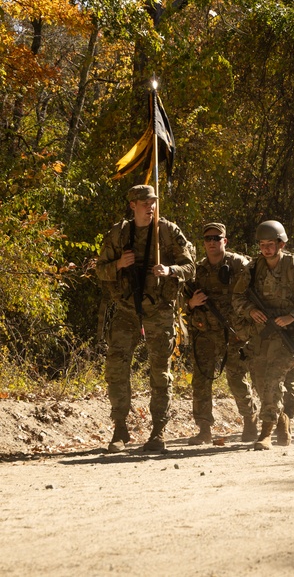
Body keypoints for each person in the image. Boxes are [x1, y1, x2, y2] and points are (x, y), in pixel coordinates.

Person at [96, 184, 196, 453]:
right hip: (126, 309)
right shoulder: (119, 233)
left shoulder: (167, 231)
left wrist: (170, 269)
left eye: (153, 202)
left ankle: (158, 431)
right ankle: (120, 428)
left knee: (160, 371)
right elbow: (100, 270)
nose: (150, 207)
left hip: (159, 309)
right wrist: (118, 264)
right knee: (116, 368)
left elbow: (191, 267)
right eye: (144, 203)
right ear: (133, 205)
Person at [233, 220, 294, 451]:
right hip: (261, 333)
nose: (266, 249)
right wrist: (250, 310)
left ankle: (265, 433)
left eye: (270, 244)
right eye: (262, 244)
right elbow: (237, 298)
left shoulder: (293, 266)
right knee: (260, 382)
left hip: (288, 335)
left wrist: (292, 316)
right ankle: (282, 421)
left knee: (273, 380)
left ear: (281, 244)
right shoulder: (253, 268)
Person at [182, 223, 258, 444]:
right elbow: (179, 297)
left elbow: (255, 292)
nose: (212, 242)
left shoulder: (239, 265)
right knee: (201, 380)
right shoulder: (197, 269)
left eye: (217, 238)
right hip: (205, 332)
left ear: (225, 241)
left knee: (236, 379)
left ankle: (250, 421)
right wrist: (190, 303)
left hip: (233, 332)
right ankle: (204, 429)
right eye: (208, 239)